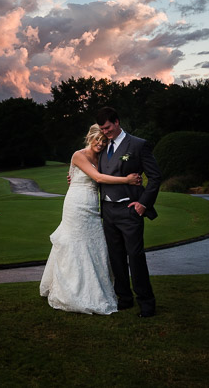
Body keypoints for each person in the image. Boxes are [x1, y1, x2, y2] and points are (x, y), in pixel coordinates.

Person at [39, 124, 142, 314]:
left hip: (93, 205)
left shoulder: (102, 157)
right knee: (75, 242)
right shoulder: (79, 155)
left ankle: (98, 288)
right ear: (89, 137)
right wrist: (127, 180)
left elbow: (104, 176)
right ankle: (72, 289)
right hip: (76, 204)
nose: (100, 144)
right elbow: (98, 178)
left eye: (104, 141)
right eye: (97, 140)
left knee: (94, 243)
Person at [96, 106, 162, 318]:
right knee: (116, 257)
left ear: (117, 122)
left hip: (129, 210)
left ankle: (147, 303)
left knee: (135, 257)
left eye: (107, 127)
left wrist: (143, 203)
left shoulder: (138, 145)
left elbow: (155, 177)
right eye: (102, 129)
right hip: (108, 211)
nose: (105, 132)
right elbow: (98, 175)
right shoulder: (102, 146)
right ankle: (124, 298)